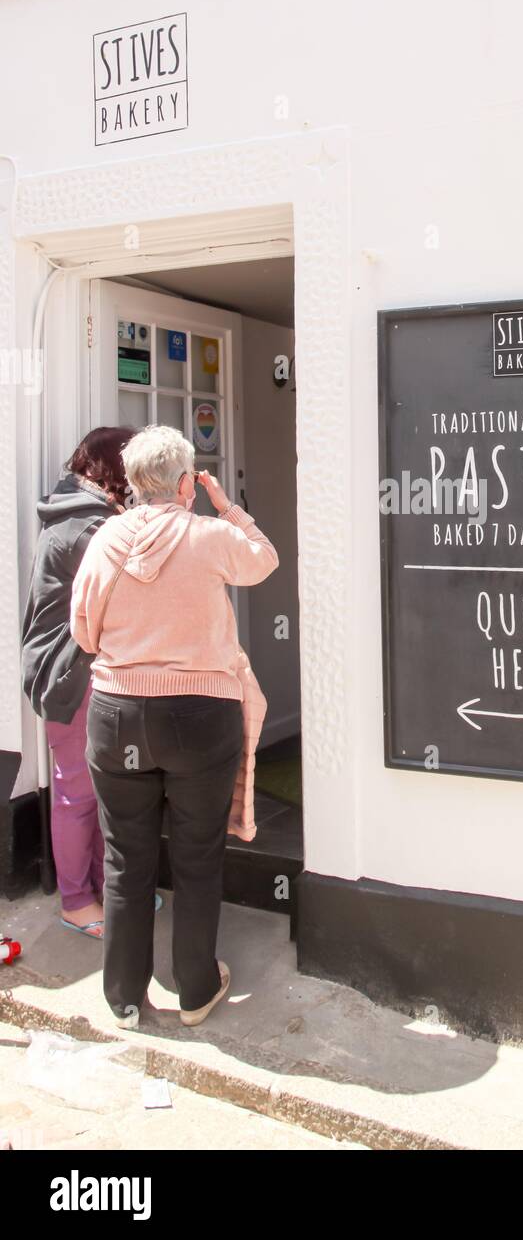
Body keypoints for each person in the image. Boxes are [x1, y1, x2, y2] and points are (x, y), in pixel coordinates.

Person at [70, 424, 278, 1029]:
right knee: (196, 857)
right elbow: (264, 560)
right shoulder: (210, 535)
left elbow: (84, 631)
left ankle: (125, 1001)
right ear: (186, 480)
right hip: (199, 716)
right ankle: (196, 991)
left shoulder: (107, 539)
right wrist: (227, 505)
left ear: (133, 483)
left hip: (117, 716)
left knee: (124, 860)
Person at [21, 427, 133, 938]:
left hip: (74, 668)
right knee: (77, 791)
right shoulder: (87, 529)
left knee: (94, 788)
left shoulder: (81, 516)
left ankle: (97, 893)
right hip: (68, 673)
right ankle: (75, 902)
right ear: (113, 469)